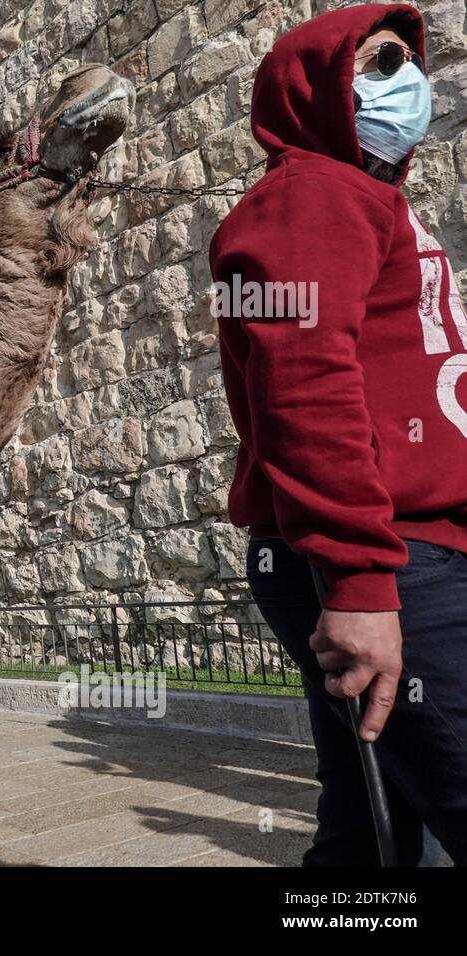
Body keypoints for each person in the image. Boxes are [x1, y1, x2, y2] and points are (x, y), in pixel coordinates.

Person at [211, 3, 467, 866]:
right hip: (382, 557)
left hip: (402, 551)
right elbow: (302, 384)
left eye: (414, 66)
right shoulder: (311, 196)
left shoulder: (363, 199)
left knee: (374, 834)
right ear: (321, 85)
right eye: (383, 64)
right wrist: (358, 579)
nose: (412, 88)